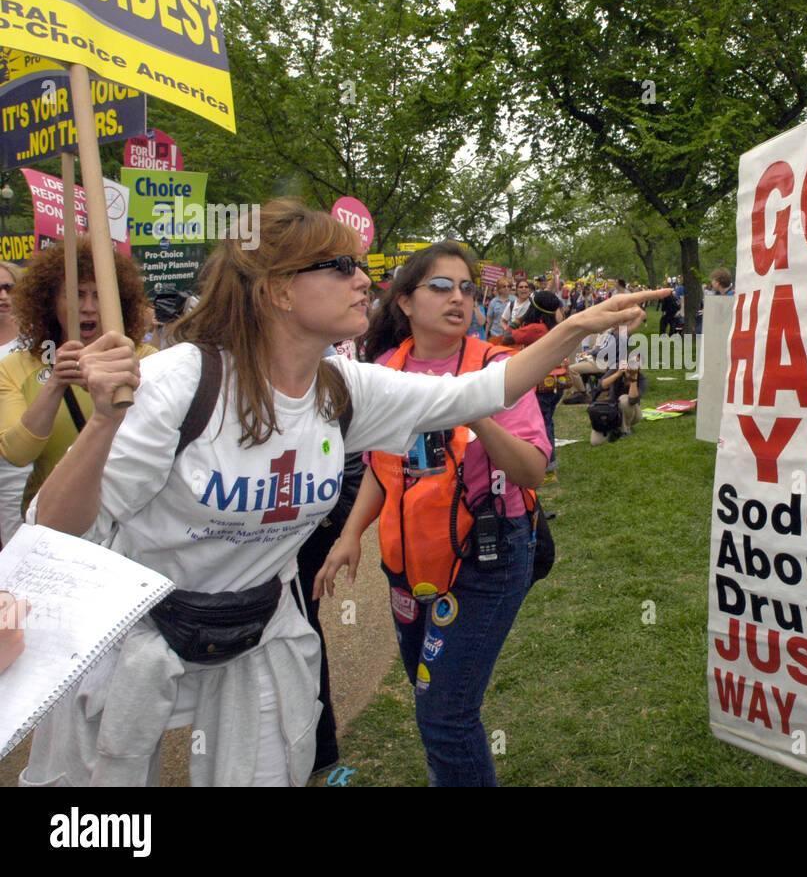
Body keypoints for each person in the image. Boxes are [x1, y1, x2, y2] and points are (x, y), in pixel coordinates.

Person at [20, 199, 664, 787]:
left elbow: (477, 394)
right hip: (140, 633)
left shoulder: (344, 387)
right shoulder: (176, 384)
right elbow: (54, 529)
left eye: (362, 267)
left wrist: (574, 327)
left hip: (258, 633)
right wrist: (104, 422)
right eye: (341, 266)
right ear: (276, 290)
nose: (364, 280)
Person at [314, 243, 550, 786]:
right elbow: (381, 467)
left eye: (467, 288)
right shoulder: (384, 371)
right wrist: (351, 535)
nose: (459, 298)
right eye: (441, 286)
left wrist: (475, 407)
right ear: (404, 301)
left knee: (445, 714)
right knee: (428, 694)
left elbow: (532, 472)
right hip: (408, 562)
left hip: (486, 559)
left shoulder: (497, 367)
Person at [0, 242, 154, 519]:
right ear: (49, 302)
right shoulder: (16, 367)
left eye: (99, 295)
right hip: (54, 520)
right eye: (76, 295)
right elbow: (17, 454)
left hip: (129, 521)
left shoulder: (146, 359)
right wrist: (56, 383)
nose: (88, 308)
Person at [501, 290, 566, 479]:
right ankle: (550, 466)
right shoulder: (555, 326)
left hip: (542, 384)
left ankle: (546, 468)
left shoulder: (535, 329)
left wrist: (518, 320)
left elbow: (507, 338)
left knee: (542, 425)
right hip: (556, 383)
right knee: (548, 422)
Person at [0, 261, 32, 544]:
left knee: (16, 541)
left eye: (8, 288)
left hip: (18, 465)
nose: (2, 296)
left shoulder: (35, 343)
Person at [589, 361, 644, 445]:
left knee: (624, 400)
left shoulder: (642, 379)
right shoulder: (617, 369)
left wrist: (633, 378)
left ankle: (625, 430)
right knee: (595, 442)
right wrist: (618, 374)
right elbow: (601, 386)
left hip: (633, 412)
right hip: (612, 409)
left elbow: (633, 400)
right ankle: (614, 428)